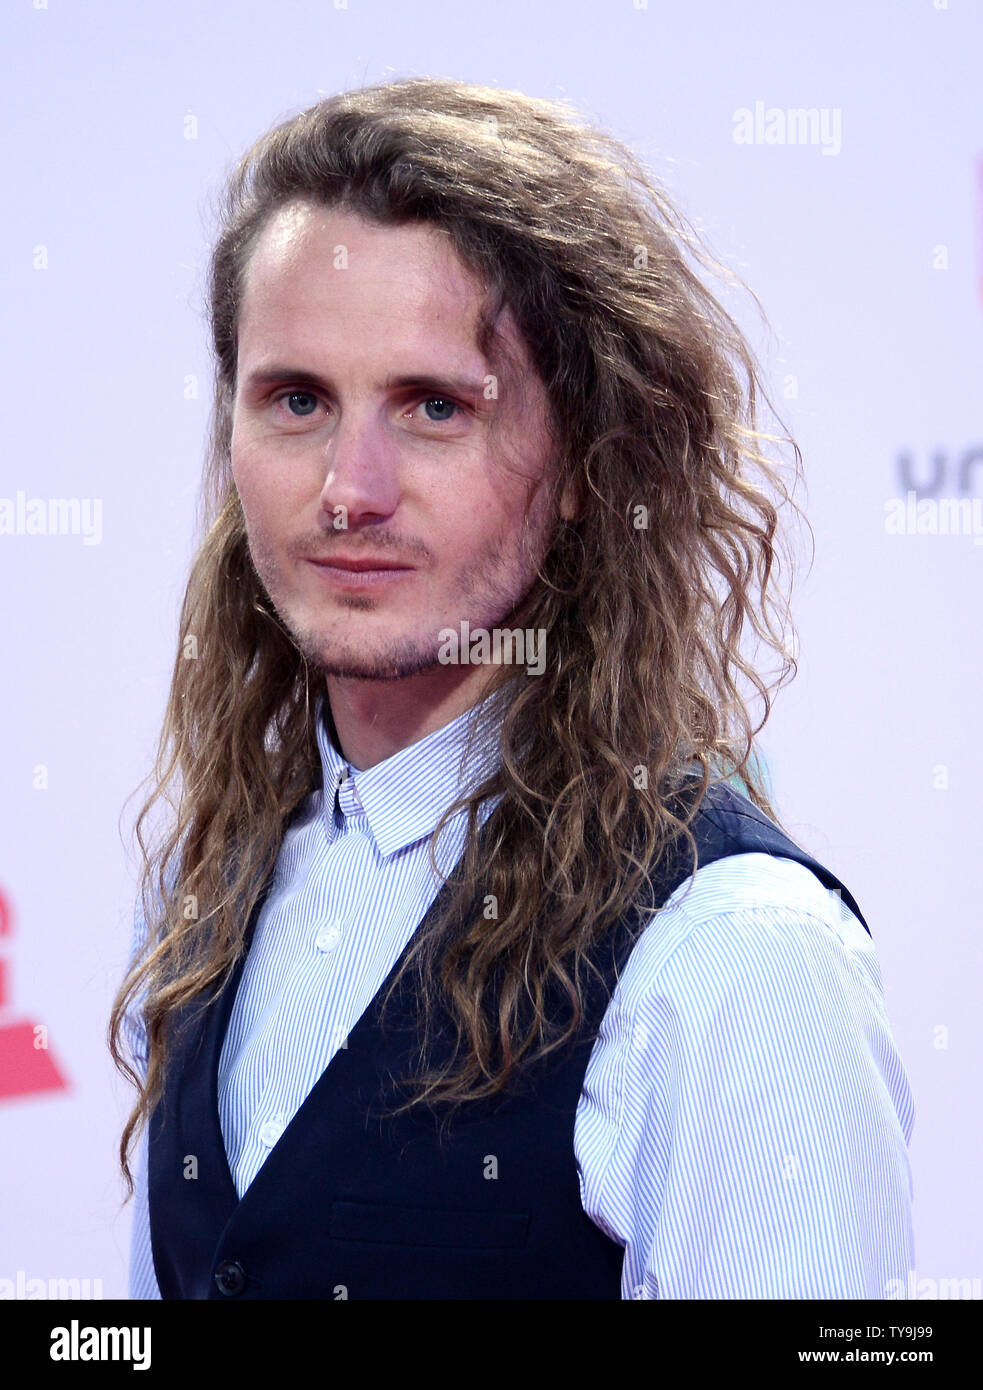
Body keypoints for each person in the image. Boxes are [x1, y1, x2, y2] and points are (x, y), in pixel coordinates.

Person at [109, 76, 914, 1300]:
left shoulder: (735, 955)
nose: (349, 486)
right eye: (296, 401)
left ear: (586, 464)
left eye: (433, 406)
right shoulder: (199, 884)